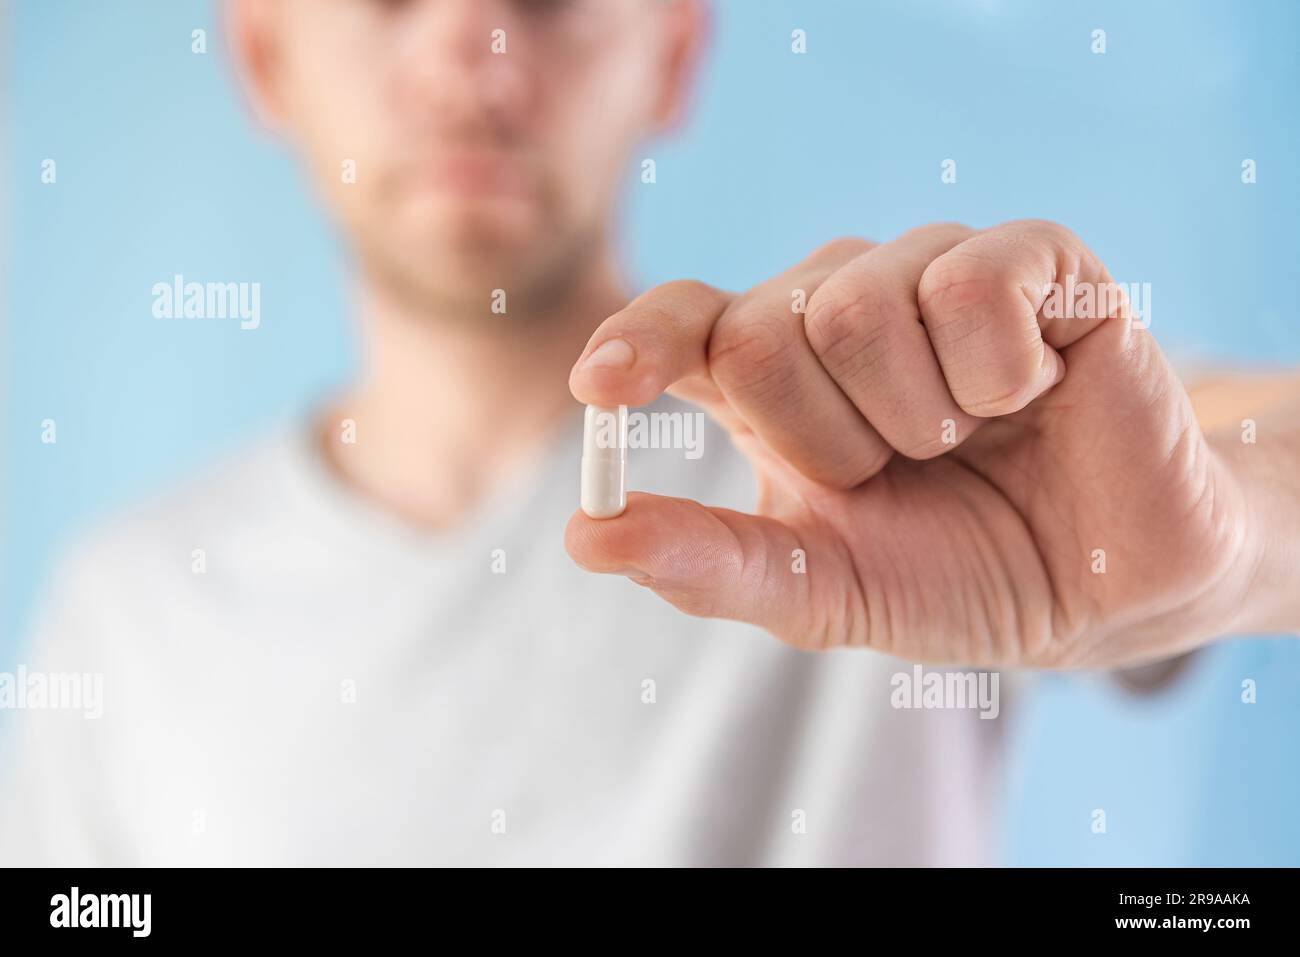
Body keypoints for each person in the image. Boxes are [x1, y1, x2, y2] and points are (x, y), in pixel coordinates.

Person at [2, 0, 1297, 866]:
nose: (474, 50)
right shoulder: (124, 615)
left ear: (670, 57)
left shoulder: (903, 446)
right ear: (266, 57)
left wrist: (1228, 545)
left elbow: (1236, 452)